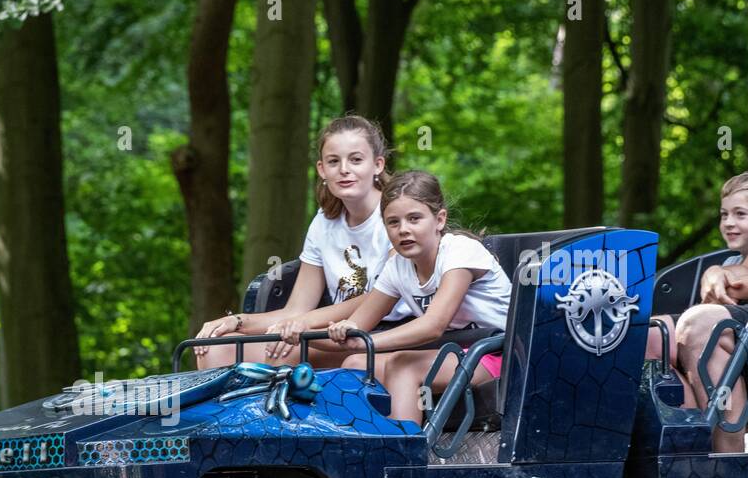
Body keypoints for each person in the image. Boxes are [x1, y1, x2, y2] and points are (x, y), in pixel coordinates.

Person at [192, 114, 410, 367]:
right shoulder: (324, 222)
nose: (344, 169)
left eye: (356, 159)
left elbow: (380, 297)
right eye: (333, 161)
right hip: (333, 334)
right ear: (322, 170)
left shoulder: (397, 216)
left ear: (378, 165)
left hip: (389, 333)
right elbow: (296, 309)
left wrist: (304, 324)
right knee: (215, 348)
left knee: (291, 346)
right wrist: (236, 321)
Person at [323, 170, 511, 424]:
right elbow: (357, 327)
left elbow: (434, 326)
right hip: (455, 352)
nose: (403, 230)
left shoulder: (460, 252)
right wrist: (298, 333)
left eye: (414, 219)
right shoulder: (398, 267)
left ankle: (403, 453)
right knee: (355, 363)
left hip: (499, 353)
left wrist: (366, 342)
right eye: (393, 222)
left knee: (404, 365)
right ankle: (361, 449)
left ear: (440, 219)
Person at [673, 170, 748, 452]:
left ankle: (727, 458)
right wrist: (717, 272)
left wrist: (724, 285)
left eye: (740, 214)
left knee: (701, 323)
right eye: (724, 214)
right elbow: (746, 267)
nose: (729, 222)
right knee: (649, 336)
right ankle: (687, 449)